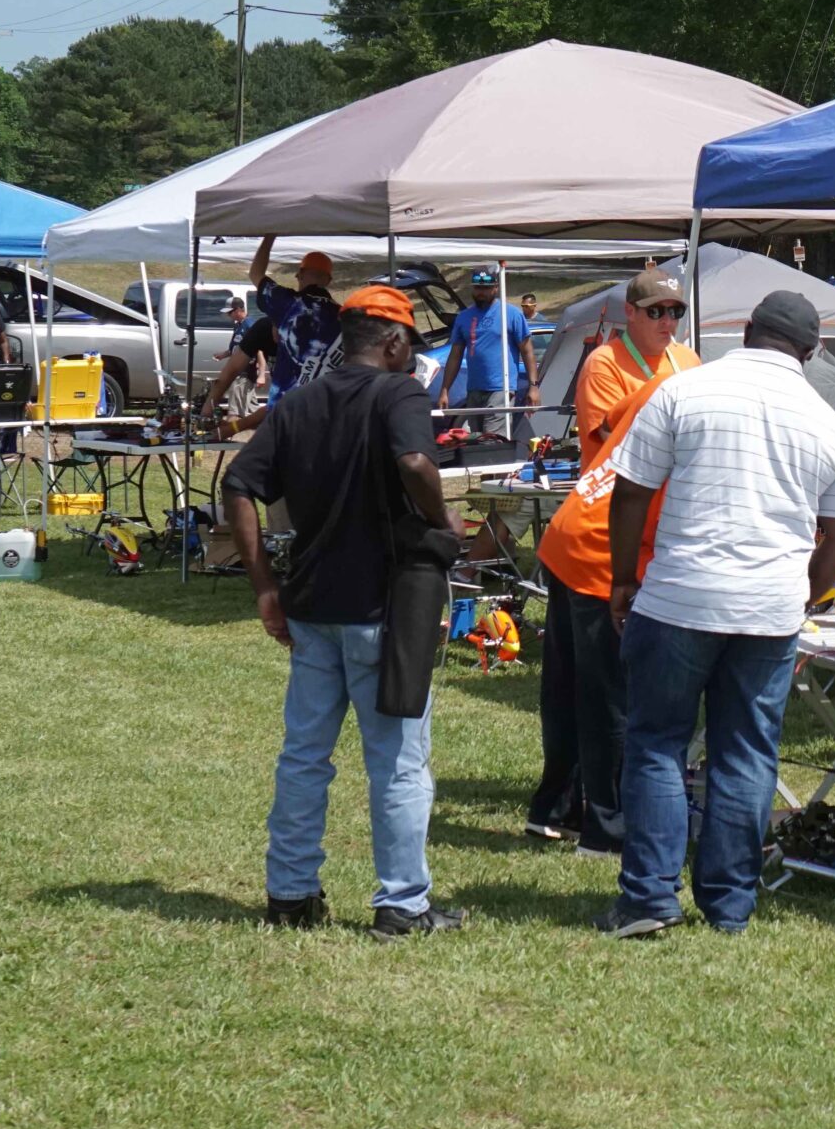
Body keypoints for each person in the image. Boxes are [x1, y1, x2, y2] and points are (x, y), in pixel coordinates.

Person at [599, 291, 835, 938]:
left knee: (657, 743)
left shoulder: (685, 390)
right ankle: (729, 907)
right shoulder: (830, 422)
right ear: (809, 353)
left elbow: (631, 489)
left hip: (677, 597)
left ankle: (648, 899)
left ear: (746, 332)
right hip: (770, 610)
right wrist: (805, 589)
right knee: (746, 753)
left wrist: (621, 579)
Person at [222, 284, 468, 940]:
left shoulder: (298, 402)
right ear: (392, 342)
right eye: (409, 346)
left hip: (311, 607)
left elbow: (238, 485)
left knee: (304, 757)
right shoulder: (400, 394)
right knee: (398, 761)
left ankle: (290, 895)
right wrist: (440, 517)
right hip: (383, 608)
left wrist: (264, 585)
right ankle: (402, 905)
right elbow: (415, 459)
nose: (411, 357)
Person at [526, 269, 702, 853]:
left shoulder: (687, 362)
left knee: (589, 688)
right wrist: (666, 390)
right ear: (630, 313)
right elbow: (609, 430)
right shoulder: (605, 362)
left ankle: (559, 807)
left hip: (611, 537)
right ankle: (603, 826)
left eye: (675, 312)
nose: (667, 323)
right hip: (597, 541)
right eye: (656, 312)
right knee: (601, 694)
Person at [436, 268, 538, 440]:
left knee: (493, 440)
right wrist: (444, 390)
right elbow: (455, 356)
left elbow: (527, 351)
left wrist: (533, 387)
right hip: (474, 389)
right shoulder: (464, 317)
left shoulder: (511, 314)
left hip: (501, 388)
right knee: (476, 440)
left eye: (486, 288)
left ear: (495, 288)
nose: (481, 292)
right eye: (478, 288)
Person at [248, 236, 344, 403]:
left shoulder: (287, 303)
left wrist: (270, 236)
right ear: (328, 280)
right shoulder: (344, 315)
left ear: (299, 275)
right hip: (327, 407)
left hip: (285, 407)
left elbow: (255, 273)